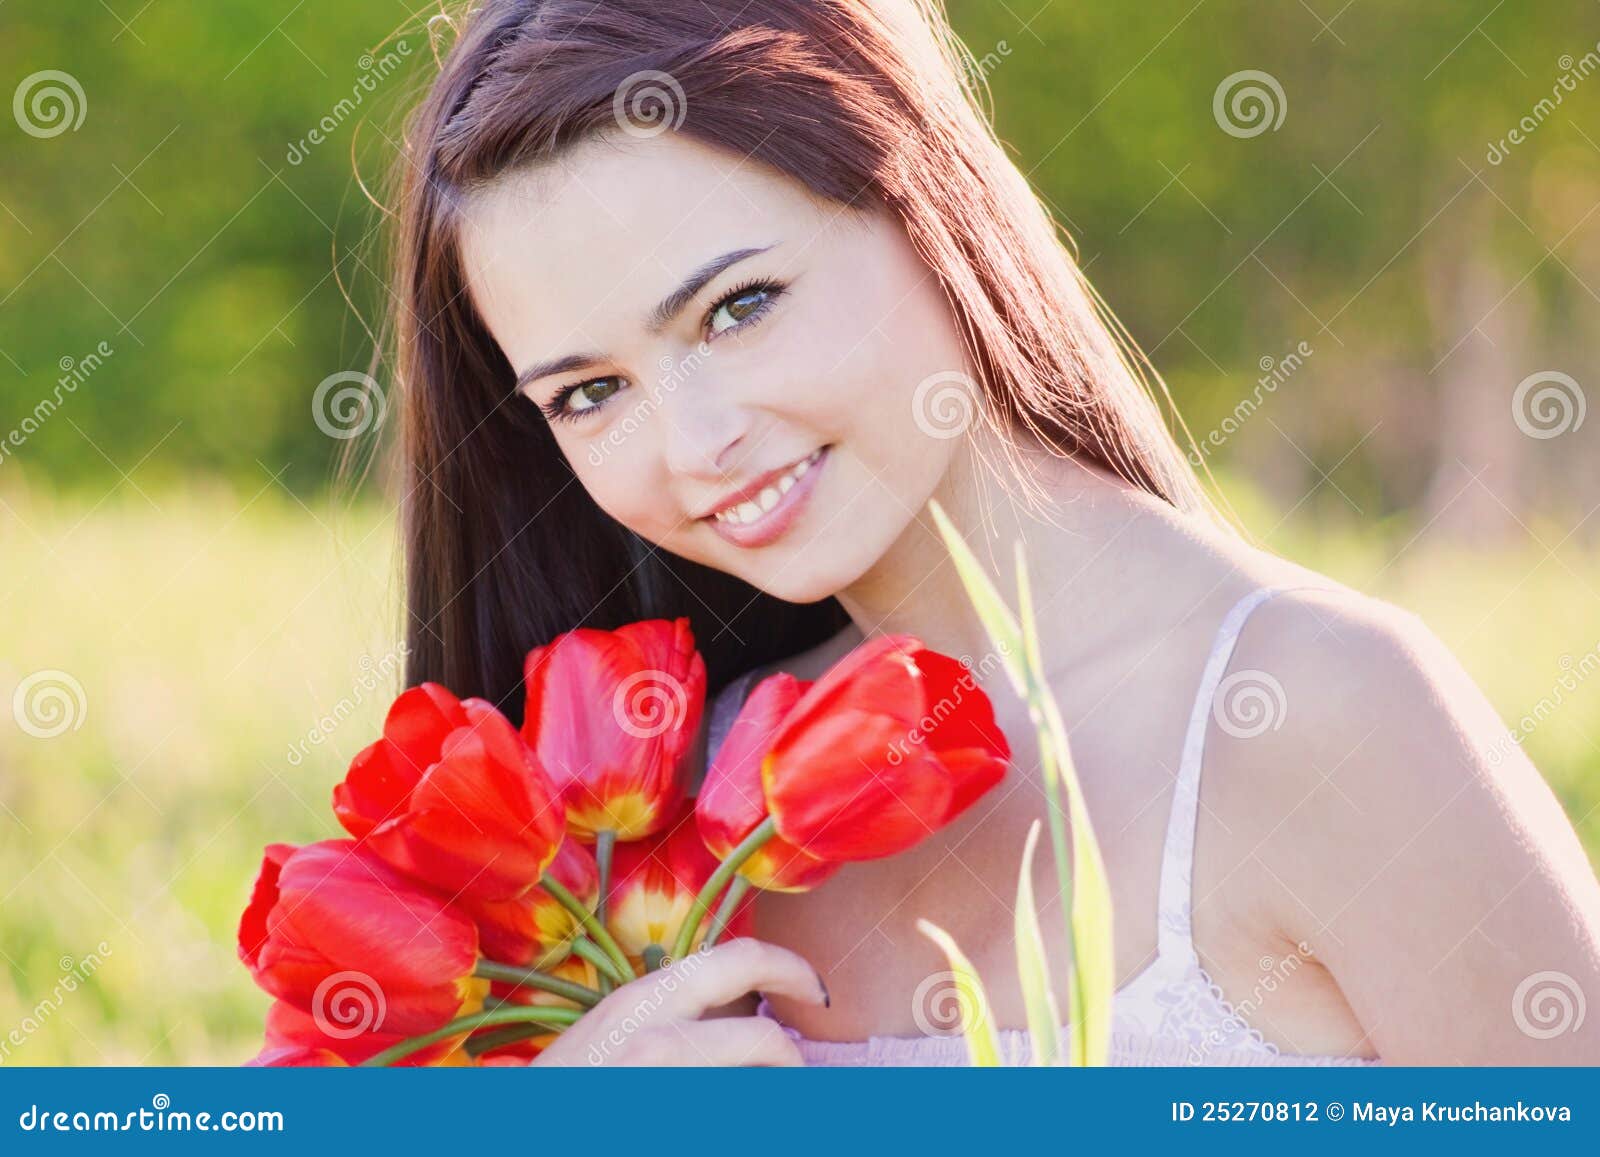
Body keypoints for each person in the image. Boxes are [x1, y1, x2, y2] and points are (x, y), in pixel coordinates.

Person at [383, 0, 1600, 1065]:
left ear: (925, 203)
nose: (694, 442)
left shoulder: (1318, 713)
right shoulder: (651, 819)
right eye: (589, 392)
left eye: (737, 307)